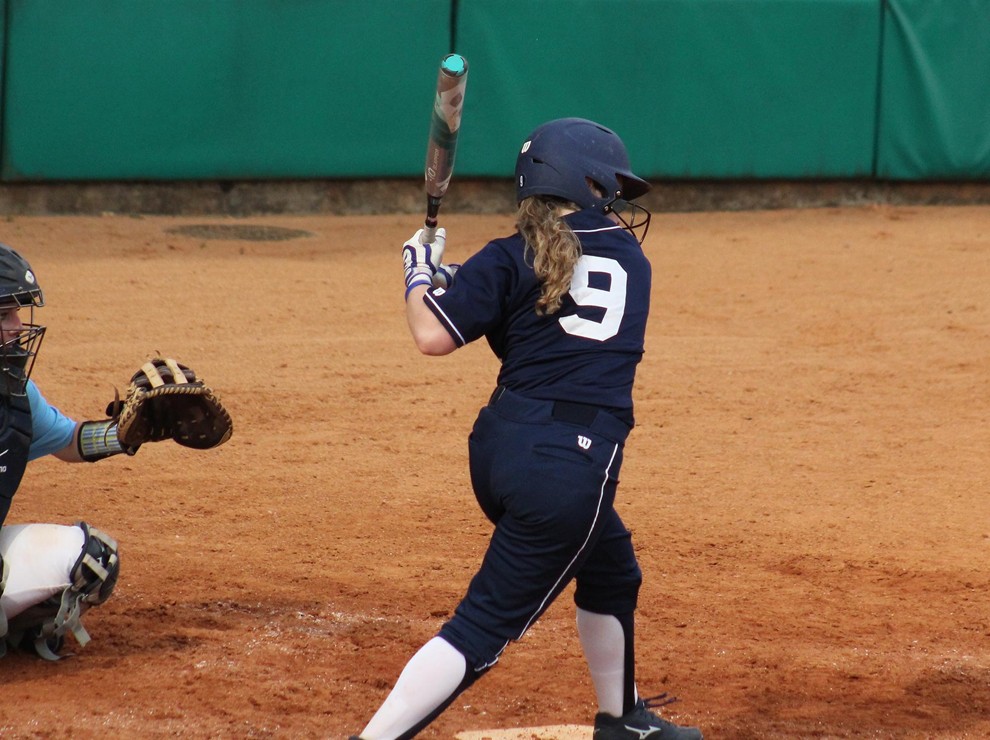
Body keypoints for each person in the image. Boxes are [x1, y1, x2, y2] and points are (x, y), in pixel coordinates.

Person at [351, 118, 702, 739]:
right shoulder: (631, 260)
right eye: (609, 189)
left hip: (499, 451)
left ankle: (623, 721)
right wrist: (447, 283)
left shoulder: (506, 256)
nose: (615, 201)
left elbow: (440, 330)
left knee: (612, 569)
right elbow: (550, 317)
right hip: (568, 471)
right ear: (583, 182)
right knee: (480, 628)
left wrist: (420, 273)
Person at [0, 243, 223, 660]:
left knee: (90, 562)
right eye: (1, 316)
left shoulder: (14, 393)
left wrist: (125, 434)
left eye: (16, 312)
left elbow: (67, 441)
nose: (16, 327)